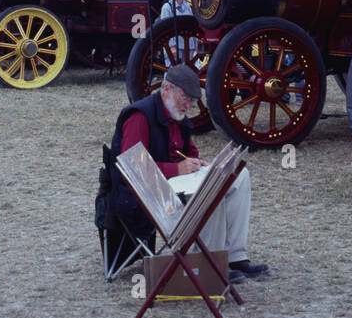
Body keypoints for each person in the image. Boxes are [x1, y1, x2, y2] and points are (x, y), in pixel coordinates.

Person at [109, 64, 268, 284]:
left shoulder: (176, 116)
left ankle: (234, 257)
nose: (189, 105)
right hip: (140, 197)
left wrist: (195, 162)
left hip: (171, 186)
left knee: (240, 176)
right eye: (184, 98)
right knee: (210, 189)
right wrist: (177, 169)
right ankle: (209, 263)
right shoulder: (140, 116)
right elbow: (133, 169)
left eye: (192, 101)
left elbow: (187, 151)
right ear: (166, 89)